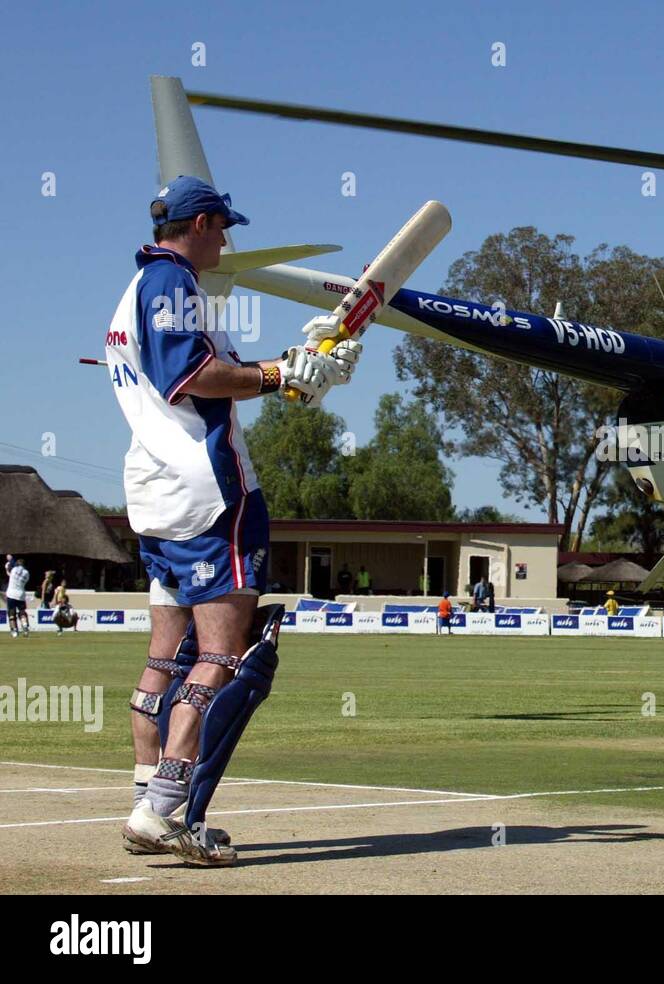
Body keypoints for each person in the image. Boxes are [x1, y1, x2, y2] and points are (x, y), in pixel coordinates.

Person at [113, 176, 361, 867]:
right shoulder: (172, 285)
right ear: (198, 223)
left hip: (157, 493)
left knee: (165, 659)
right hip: (208, 494)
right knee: (222, 657)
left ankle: (143, 797)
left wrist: (293, 363)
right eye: (223, 226)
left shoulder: (134, 293)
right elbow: (190, 378)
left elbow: (199, 374)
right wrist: (281, 376)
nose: (228, 239)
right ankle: (161, 812)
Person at [5, 556, 31, 638]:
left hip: (11, 594)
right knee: (22, 612)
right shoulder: (27, 574)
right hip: (21, 595)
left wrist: (10, 558)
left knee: (11, 613)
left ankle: (14, 631)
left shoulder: (14, 569)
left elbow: (11, 563)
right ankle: (25, 625)